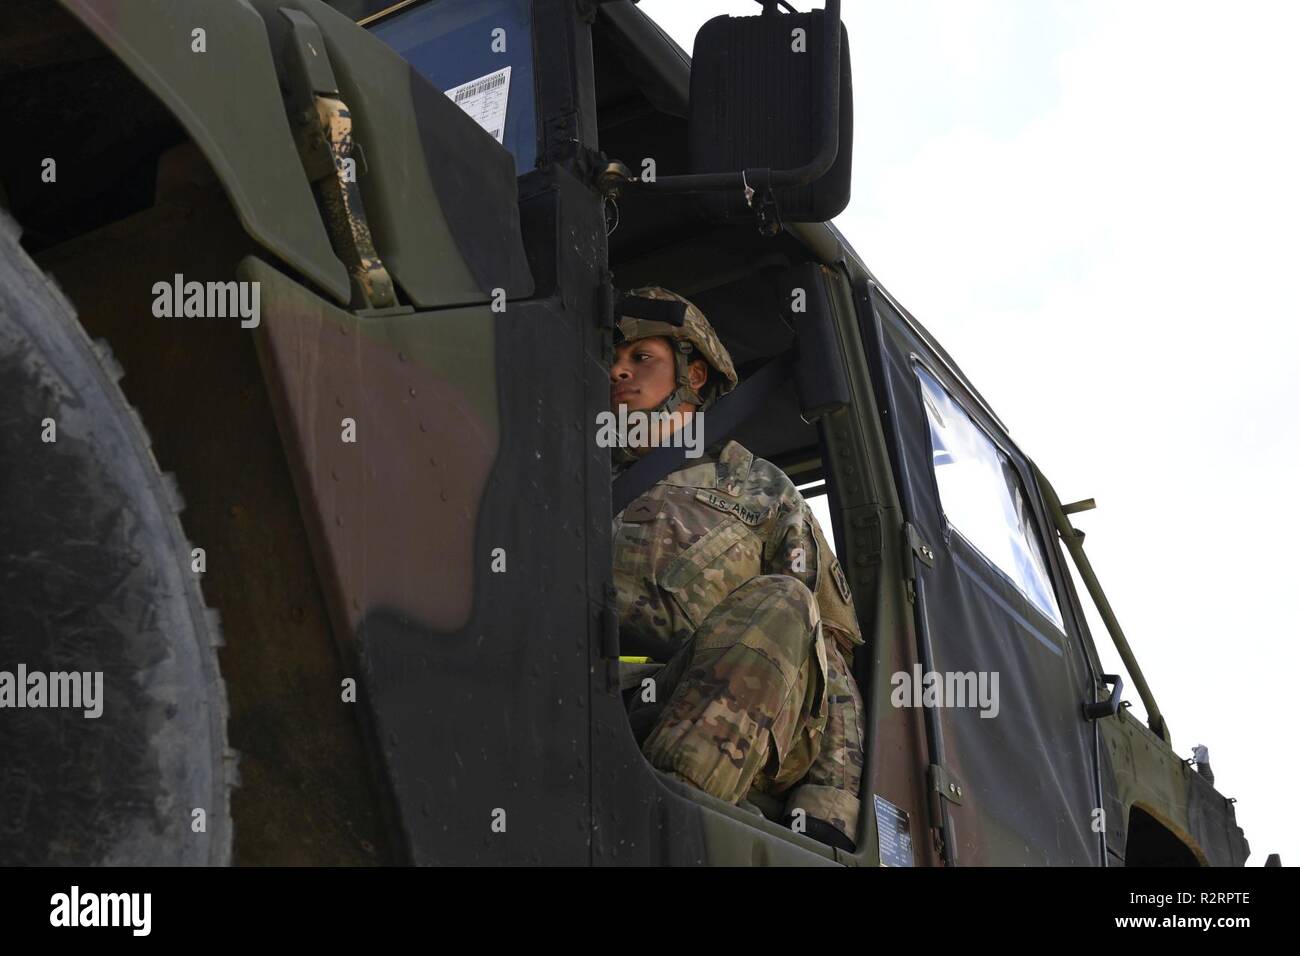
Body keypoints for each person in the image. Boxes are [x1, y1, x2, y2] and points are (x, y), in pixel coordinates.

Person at [609, 286, 866, 851]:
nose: (618, 372)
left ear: (693, 375)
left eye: (640, 357)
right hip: (587, 697)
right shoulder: (565, 470)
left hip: (723, 711)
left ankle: (664, 834)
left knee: (784, 601)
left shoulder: (761, 487)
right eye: (612, 360)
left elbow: (831, 657)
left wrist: (828, 804)